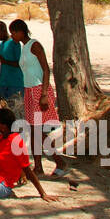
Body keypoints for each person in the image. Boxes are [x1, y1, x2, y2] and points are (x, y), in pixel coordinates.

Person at [11, 19, 70, 178]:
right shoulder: (24, 48)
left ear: (21, 31)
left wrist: (44, 94)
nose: (12, 36)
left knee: (38, 131)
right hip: (29, 91)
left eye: (14, 32)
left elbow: (45, 69)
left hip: (38, 90)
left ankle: (60, 161)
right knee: (33, 130)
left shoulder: (34, 45)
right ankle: (38, 166)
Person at [0, 21, 25, 120]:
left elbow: (20, 64)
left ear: (3, 30)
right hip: (4, 83)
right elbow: (3, 66)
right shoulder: (2, 44)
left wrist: (5, 61)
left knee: (16, 110)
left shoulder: (14, 43)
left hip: (15, 83)